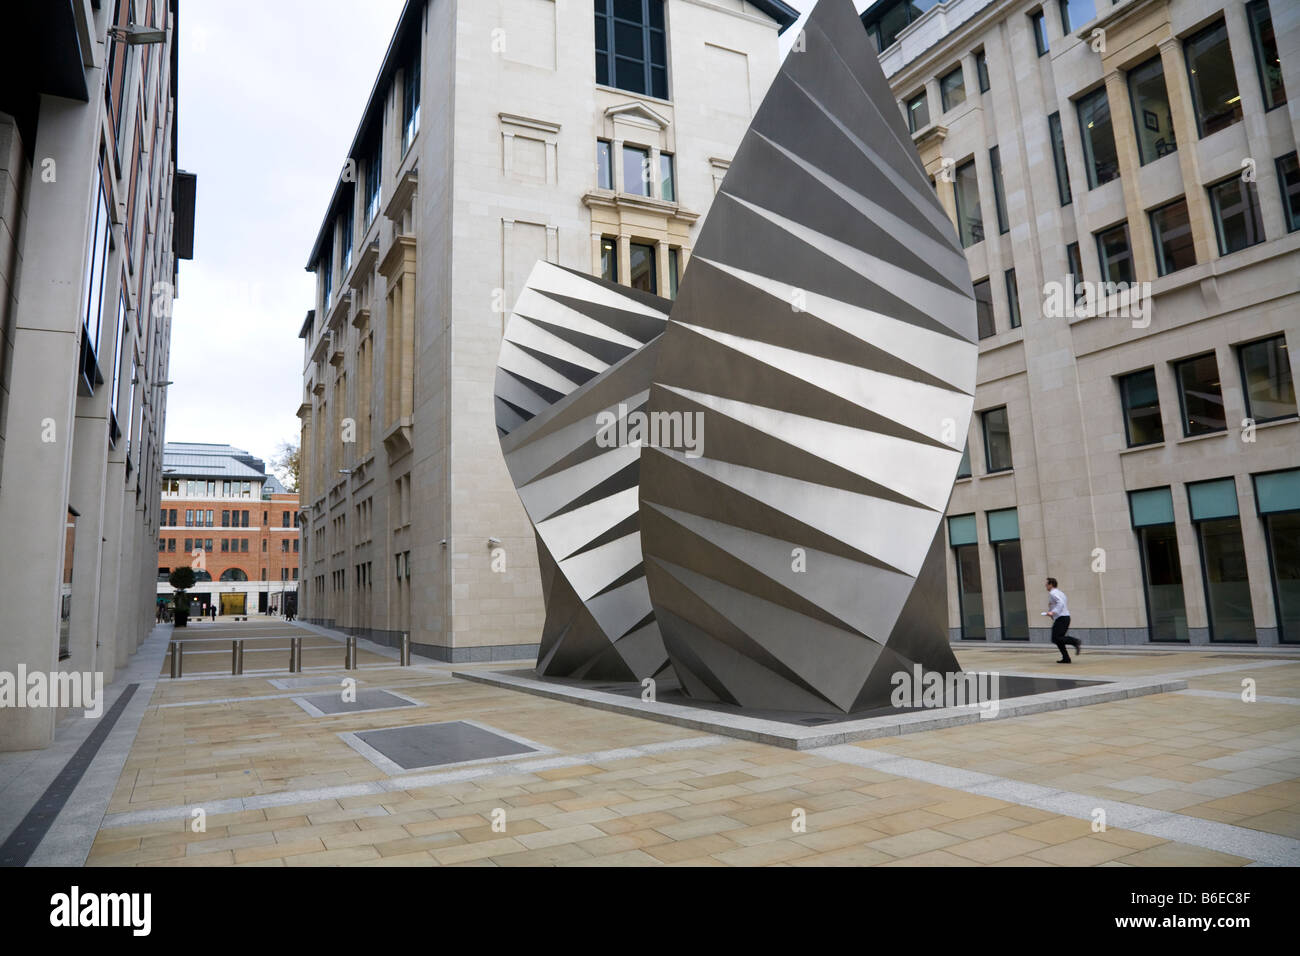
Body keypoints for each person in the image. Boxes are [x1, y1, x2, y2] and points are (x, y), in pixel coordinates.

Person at [1043, 577, 1081, 662]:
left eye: (1047, 584)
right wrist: (1051, 614)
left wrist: (1053, 612)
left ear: (1051, 584)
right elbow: (1059, 604)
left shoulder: (1053, 593)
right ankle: (1066, 658)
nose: (1045, 586)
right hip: (1065, 617)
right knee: (1058, 639)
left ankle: (1075, 641)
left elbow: (1060, 603)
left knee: (1055, 638)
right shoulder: (1061, 593)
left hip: (1062, 618)